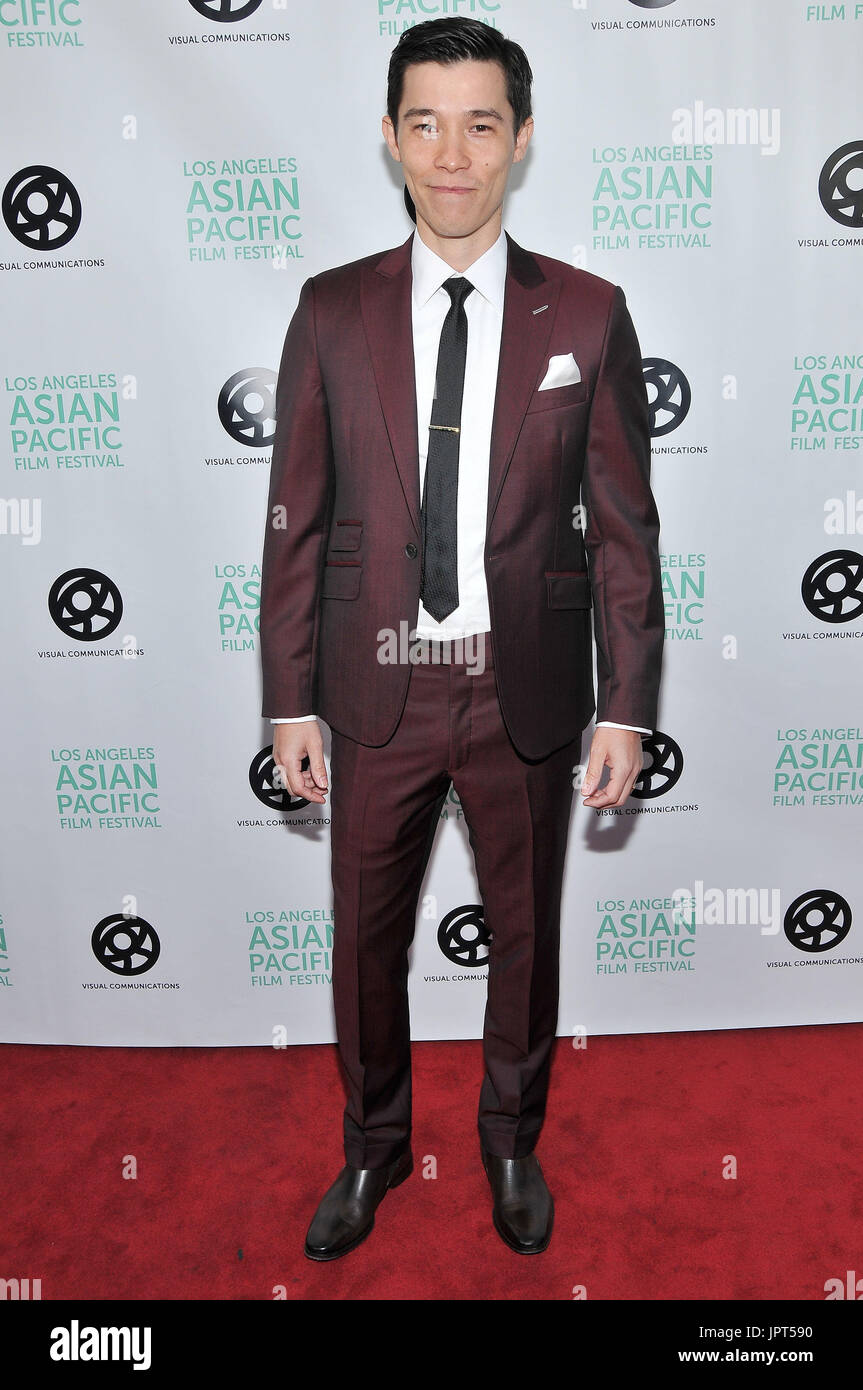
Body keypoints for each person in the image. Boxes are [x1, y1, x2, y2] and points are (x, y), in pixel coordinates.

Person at [259, 17, 663, 1260]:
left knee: (526, 940)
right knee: (362, 946)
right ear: (389, 138)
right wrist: (286, 702)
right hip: (372, 693)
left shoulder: (588, 314)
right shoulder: (330, 311)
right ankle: (373, 1149)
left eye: (479, 123)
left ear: (519, 140)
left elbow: (623, 530)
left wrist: (624, 704)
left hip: (526, 694)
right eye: (423, 123)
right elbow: (295, 515)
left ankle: (507, 1138)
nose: (451, 153)